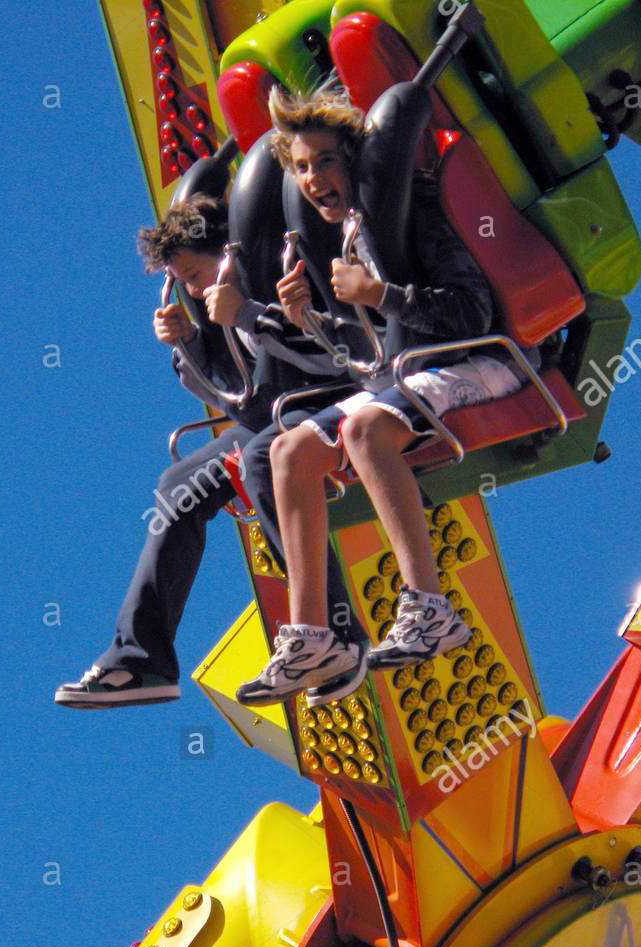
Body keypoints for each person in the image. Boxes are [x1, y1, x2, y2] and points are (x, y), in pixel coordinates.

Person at [235, 84, 521, 707]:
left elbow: (472, 312)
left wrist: (378, 294)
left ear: (357, 162)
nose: (313, 179)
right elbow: (375, 350)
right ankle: (315, 639)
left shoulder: (413, 212)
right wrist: (313, 319)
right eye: (302, 167)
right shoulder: (352, 233)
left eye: (326, 162)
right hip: (412, 374)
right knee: (288, 454)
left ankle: (430, 608)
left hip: (487, 363)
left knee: (365, 432)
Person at [56, 193, 362, 708]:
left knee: (266, 460)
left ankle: (334, 634)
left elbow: (339, 356)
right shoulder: (211, 311)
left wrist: (249, 315)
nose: (193, 289)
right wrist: (189, 344)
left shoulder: (279, 274)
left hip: (331, 401)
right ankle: (142, 659)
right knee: (177, 486)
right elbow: (237, 399)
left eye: (195, 274)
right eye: (183, 282)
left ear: (227, 254)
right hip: (271, 418)